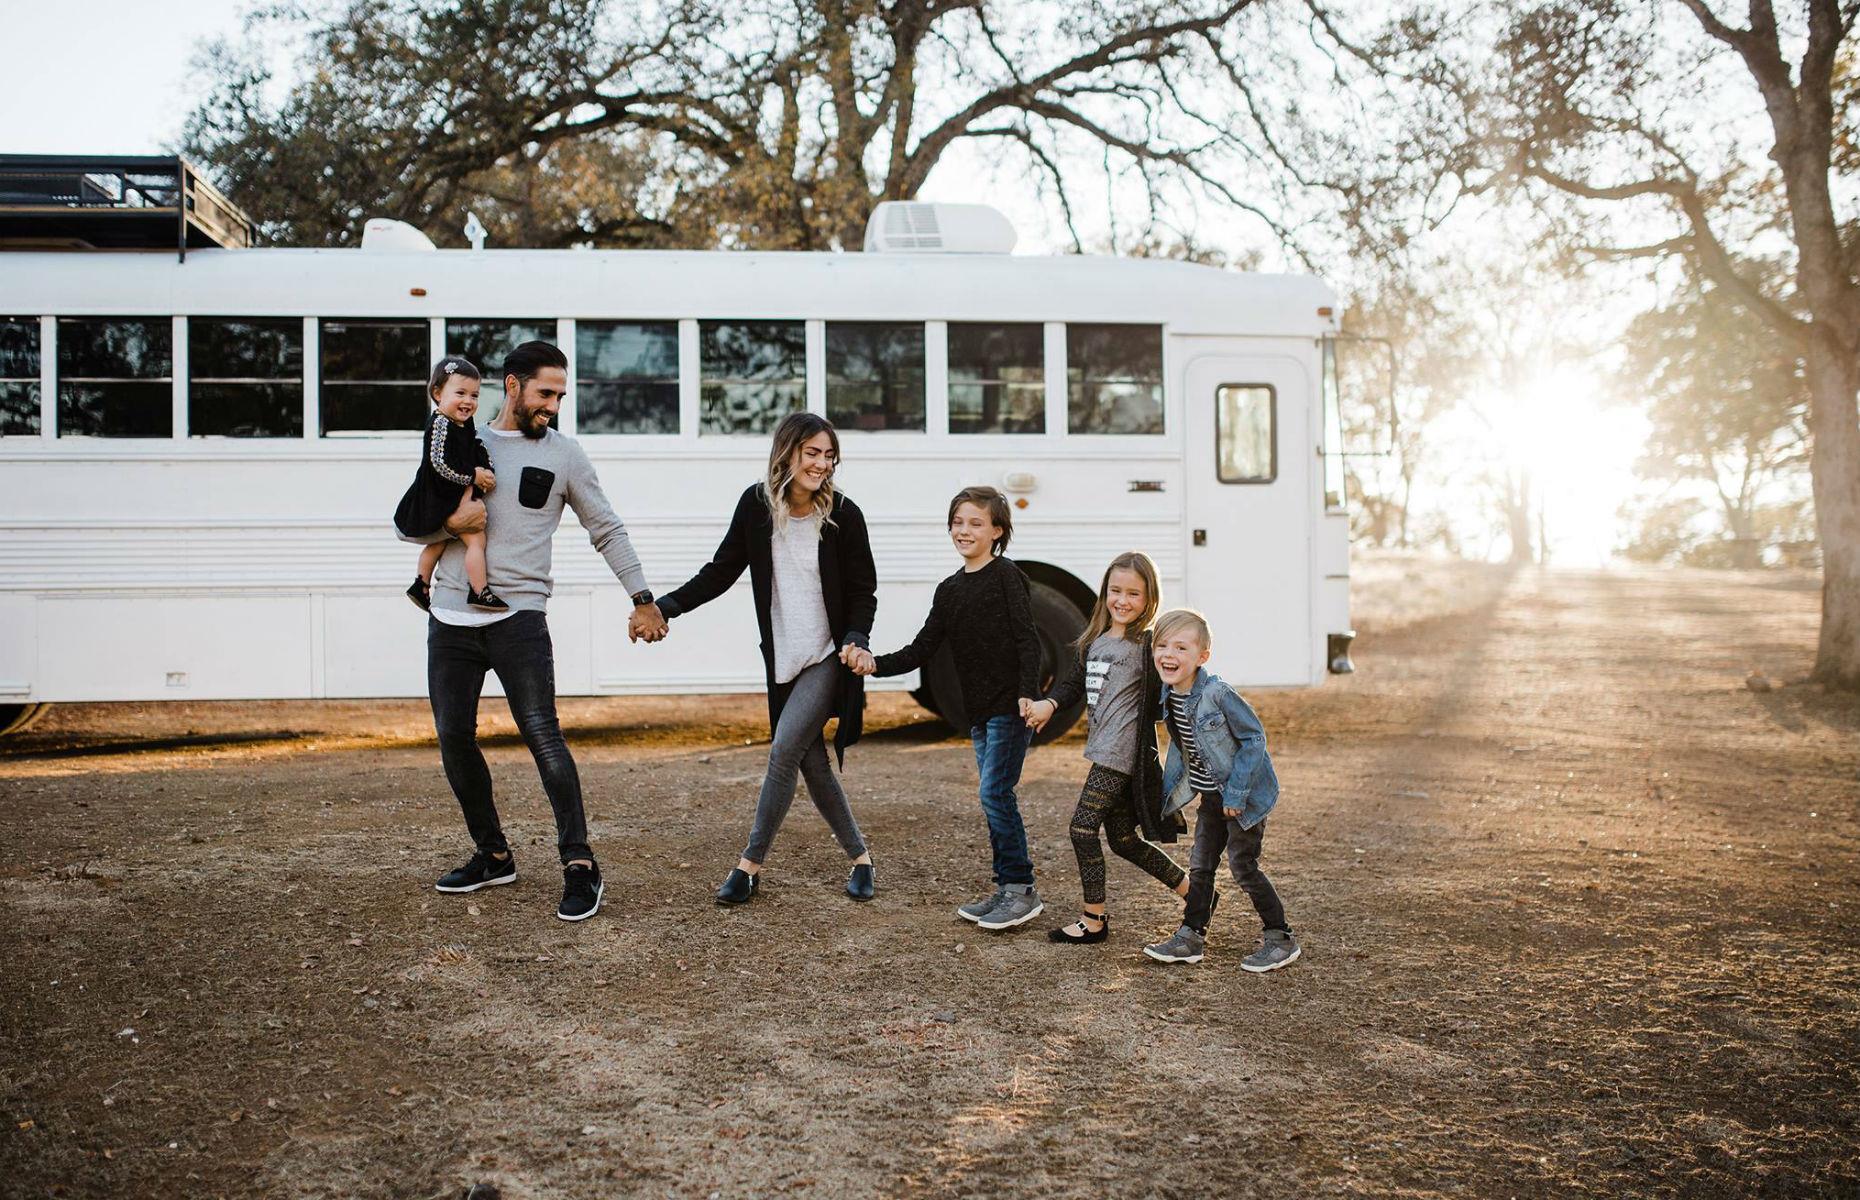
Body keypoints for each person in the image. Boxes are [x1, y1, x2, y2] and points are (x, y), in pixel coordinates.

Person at [425, 341, 668, 923]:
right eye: (545, 393)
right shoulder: (462, 441)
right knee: (454, 738)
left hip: (520, 618)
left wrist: (642, 598)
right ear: (512, 387)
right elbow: (411, 521)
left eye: (560, 395)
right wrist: (447, 524)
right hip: (451, 617)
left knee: (543, 735)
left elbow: (606, 528)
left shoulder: (565, 455)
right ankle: (493, 854)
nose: (554, 406)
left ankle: (580, 863)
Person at [639, 412, 878, 907]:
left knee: (784, 750)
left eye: (829, 455)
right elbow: (720, 572)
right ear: (787, 451)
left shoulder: (843, 515)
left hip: (829, 656)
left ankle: (748, 866)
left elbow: (863, 590)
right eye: (812, 452)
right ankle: (861, 859)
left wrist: (857, 638)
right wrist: (664, 607)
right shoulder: (756, 507)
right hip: (783, 658)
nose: (822, 464)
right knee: (811, 763)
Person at [849, 486, 1045, 930]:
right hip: (978, 712)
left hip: (1010, 709)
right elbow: (923, 648)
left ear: (997, 531)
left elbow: (1027, 639)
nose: (964, 530)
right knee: (994, 797)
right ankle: (1007, 889)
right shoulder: (950, 589)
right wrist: (875, 664)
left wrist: (1028, 693)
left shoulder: (1007, 576)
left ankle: (1021, 889)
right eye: (958, 522)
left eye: (976, 523)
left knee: (995, 794)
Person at [1024, 551, 1188, 944]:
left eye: (1134, 593)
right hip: (1103, 750)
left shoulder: (1147, 647)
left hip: (1123, 754)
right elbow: (1072, 682)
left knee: (1082, 828)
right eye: (1116, 590)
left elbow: (1175, 680)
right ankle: (1196, 893)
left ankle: (1093, 919)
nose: (1123, 600)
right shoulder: (1095, 640)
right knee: (1124, 841)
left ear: (1149, 599)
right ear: (1105, 592)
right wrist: (1049, 704)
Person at [1141, 609, 1301, 971]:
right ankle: (1191, 936)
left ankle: (1280, 937)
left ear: (1202, 657)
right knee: (1200, 867)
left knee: (1243, 867)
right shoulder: (1169, 694)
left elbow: (1254, 739)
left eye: (1181, 647)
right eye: (1162, 645)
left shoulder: (1217, 694)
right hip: (1211, 798)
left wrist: (1237, 793)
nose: (1169, 654)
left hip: (1241, 797)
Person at [394, 356, 507, 612]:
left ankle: (421, 583)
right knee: (476, 540)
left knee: (439, 541)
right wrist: (472, 476)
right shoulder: (440, 424)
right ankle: (480, 591)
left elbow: (474, 447)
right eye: (461, 393)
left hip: (449, 497)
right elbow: (439, 463)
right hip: (438, 496)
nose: (468, 401)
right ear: (437, 393)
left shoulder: (463, 424)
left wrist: (486, 468)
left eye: (475, 395)